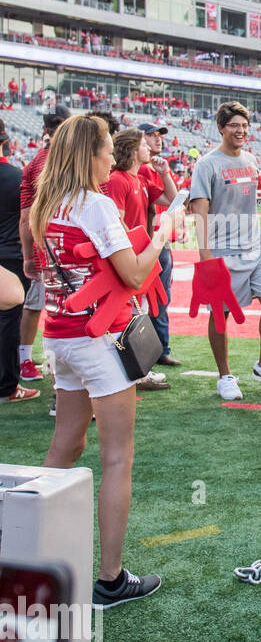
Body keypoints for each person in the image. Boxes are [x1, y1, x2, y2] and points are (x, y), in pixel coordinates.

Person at [32, 114, 182, 607]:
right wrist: (160, 236)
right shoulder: (94, 204)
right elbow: (135, 274)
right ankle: (111, 579)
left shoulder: (47, 202)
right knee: (117, 458)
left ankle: (34, 552)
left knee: (65, 446)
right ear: (89, 154)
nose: (110, 159)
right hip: (100, 341)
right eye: (105, 151)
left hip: (60, 337)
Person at [189, 100, 261, 399]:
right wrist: (205, 256)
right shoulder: (207, 164)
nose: (241, 131)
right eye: (234, 125)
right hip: (222, 249)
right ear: (221, 128)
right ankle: (225, 376)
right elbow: (200, 211)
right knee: (221, 314)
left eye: (244, 126)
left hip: (256, 244)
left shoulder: (251, 159)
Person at [104, 129, 170, 392]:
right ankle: (133, 371)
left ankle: (138, 371)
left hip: (139, 256)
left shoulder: (140, 179)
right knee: (127, 315)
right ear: (132, 150)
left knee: (137, 312)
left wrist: (165, 173)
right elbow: (116, 221)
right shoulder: (118, 180)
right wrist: (134, 253)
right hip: (129, 258)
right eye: (143, 144)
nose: (148, 148)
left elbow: (171, 199)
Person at [17, 107, 72, 392]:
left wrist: (28, 255)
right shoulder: (71, 160)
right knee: (63, 313)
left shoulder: (34, 164)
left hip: (44, 249)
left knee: (40, 307)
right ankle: (60, 378)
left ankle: (25, 359)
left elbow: (26, 218)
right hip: (69, 251)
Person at [136, 122, 180, 367]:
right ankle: (154, 350)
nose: (157, 139)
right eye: (151, 136)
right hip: (148, 239)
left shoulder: (157, 167)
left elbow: (174, 201)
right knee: (149, 297)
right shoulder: (141, 170)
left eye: (158, 135)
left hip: (159, 238)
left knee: (161, 296)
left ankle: (160, 348)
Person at [0, 151, 37, 402]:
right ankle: (7, 386)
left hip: (11, 253)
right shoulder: (17, 177)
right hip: (11, 255)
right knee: (8, 322)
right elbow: (28, 220)